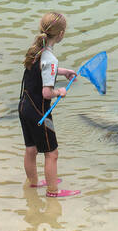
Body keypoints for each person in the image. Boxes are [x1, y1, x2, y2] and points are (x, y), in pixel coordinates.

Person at [19, 11, 80, 197]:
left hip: (24, 107)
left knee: (31, 148)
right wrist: (59, 92)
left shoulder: (35, 49)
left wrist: (63, 72)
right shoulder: (50, 59)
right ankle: (53, 191)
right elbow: (46, 93)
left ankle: (33, 184)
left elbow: (43, 69)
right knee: (51, 154)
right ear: (61, 34)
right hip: (40, 113)